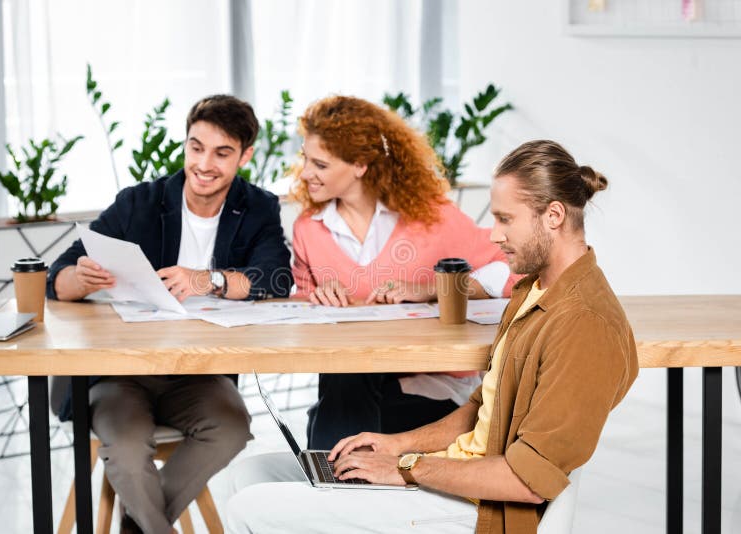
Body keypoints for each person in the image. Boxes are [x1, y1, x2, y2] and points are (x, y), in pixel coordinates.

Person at [226, 140, 639, 534]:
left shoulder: (586, 323)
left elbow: (528, 482)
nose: (493, 235)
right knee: (250, 475)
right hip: (452, 477)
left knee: (249, 509)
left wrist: (407, 467)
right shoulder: (532, 291)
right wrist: (396, 445)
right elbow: (481, 409)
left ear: (553, 216)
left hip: (479, 510)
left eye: (505, 219)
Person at [46, 95, 293, 534]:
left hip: (197, 374)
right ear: (185, 144)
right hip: (120, 373)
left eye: (221, 153)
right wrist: (79, 279)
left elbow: (275, 278)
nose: (204, 163)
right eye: (196, 147)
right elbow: (57, 277)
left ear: (245, 155)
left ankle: (138, 524)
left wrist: (207, 280)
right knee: (123, 446)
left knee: (231, 428)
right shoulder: (140, 202)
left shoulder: (257, 207)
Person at [289, 95, 520, 449]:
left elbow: (514, 267)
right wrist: (315, 298)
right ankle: (341, 480)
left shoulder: (430, 217)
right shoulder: (309, 228)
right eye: (305, 159)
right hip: (355, 382)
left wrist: (437, 288)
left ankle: (332, 479)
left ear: (360, 165)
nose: (305, 173)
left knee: (334, 426)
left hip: (431, 387)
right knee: (346, 383)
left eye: (319, 164)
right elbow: (299, 306)